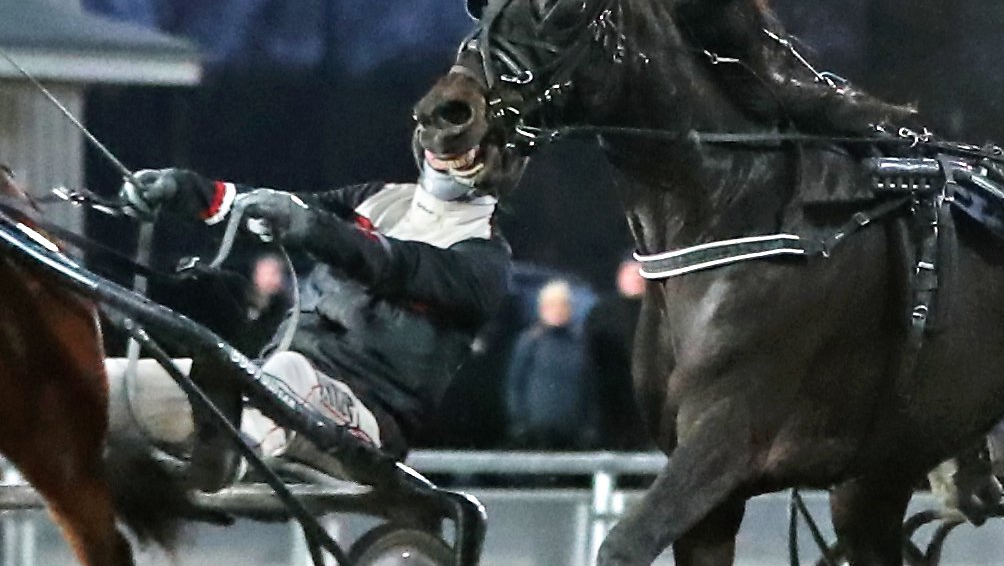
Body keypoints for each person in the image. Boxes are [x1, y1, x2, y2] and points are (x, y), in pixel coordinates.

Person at [118, 136, 513, 466]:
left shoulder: (485, 261)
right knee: (116, 382)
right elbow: (275, 207)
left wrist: (311, 228)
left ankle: (225, 459)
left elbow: (391, 264)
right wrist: (185, 191)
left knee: (291, 373)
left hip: (367, 417)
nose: (445, 144)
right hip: (266, 381)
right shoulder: (376, 197)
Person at [503, 277, 598, 450]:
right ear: (542, 309)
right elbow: (515, 384)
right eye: (551, 305)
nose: (557, 311)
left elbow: (590, 386)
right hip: (536, 430)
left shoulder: (582, 343)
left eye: (562, 305)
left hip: (573, 430)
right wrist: (520, 422)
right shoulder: (530, 341)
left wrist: (589, 424)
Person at [582, 255, 651, 449]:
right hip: (608, 399)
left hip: (647, 398)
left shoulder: (658, 312)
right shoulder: (601, 312)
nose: (635, 279)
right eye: (630, 273)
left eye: (639, 274)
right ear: (619, 276)